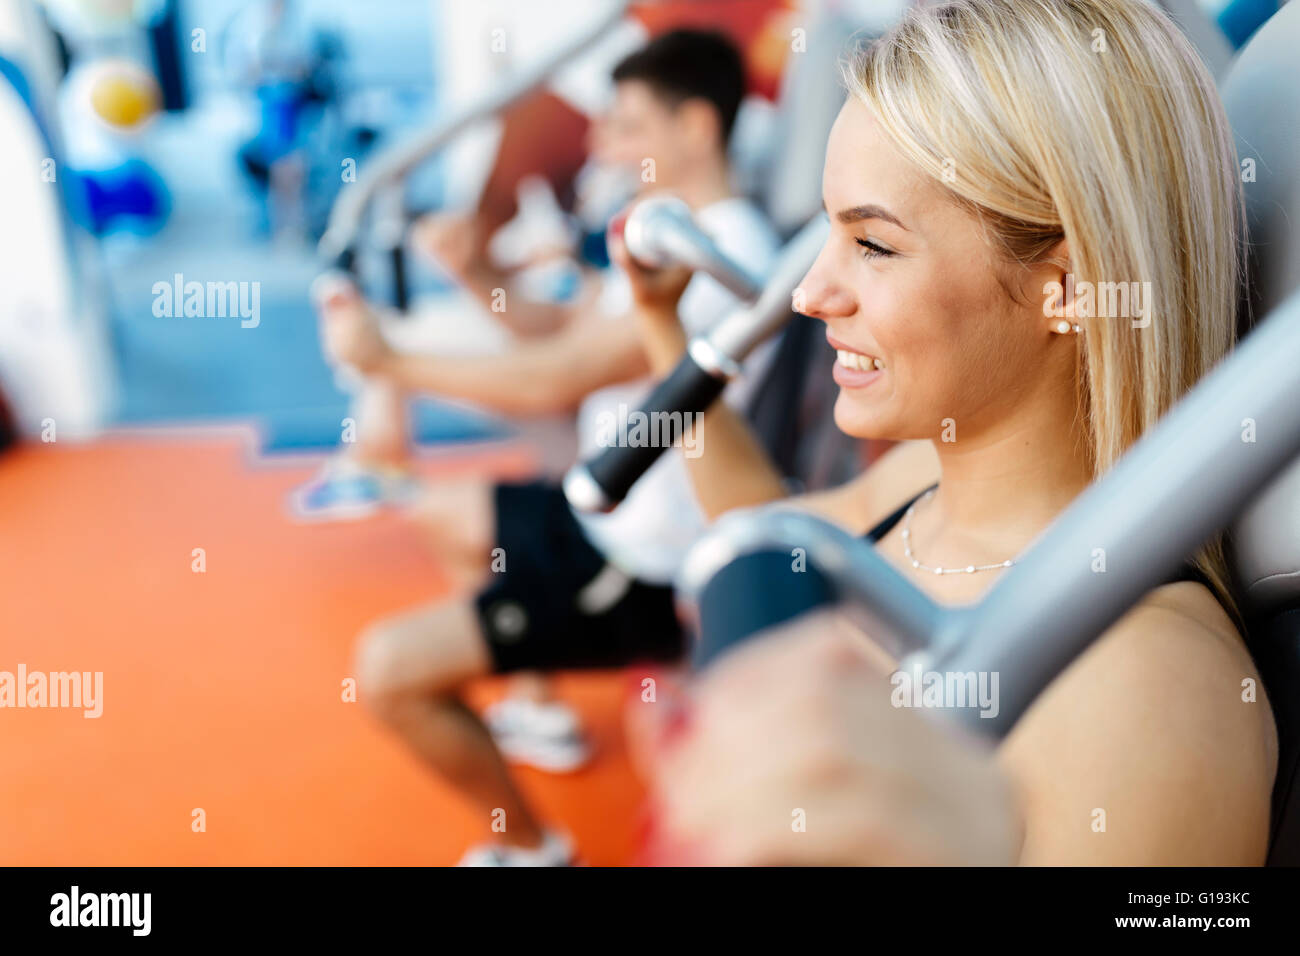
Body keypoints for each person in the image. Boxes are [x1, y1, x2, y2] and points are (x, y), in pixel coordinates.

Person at [623, 0, 1277, 865]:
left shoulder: (1149, 687)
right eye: (830, 232)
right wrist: (661, 326)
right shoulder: (924, 489)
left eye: (874, 246)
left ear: (1070, 288)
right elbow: (770, 534)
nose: (810, 292)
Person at [317, 30, 783, 865]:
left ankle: (532, 847)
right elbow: (556, 333)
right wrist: (477, 272)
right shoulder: (667, 234)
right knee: (442, 513)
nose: (605, 145)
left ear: (698, 127)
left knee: (386, 669)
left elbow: (553, 379)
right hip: (597, 512)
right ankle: (532, 702)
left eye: (629, 126)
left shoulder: (723, 253)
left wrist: (388, 359)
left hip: (644, 566)